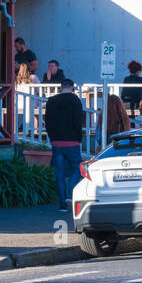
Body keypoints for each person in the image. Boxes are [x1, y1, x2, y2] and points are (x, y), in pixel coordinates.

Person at [44, 79, 85, 209]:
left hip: (56, 141)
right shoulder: (75, 100)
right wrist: (79, 138)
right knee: (77, 169)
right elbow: (78, 122)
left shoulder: (51, 101)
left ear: (61, 87)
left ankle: (62, 204)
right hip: (72, 141)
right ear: (72, 87)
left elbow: (47, 122)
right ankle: (70, 194)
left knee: (59, 173)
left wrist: (52, 137)